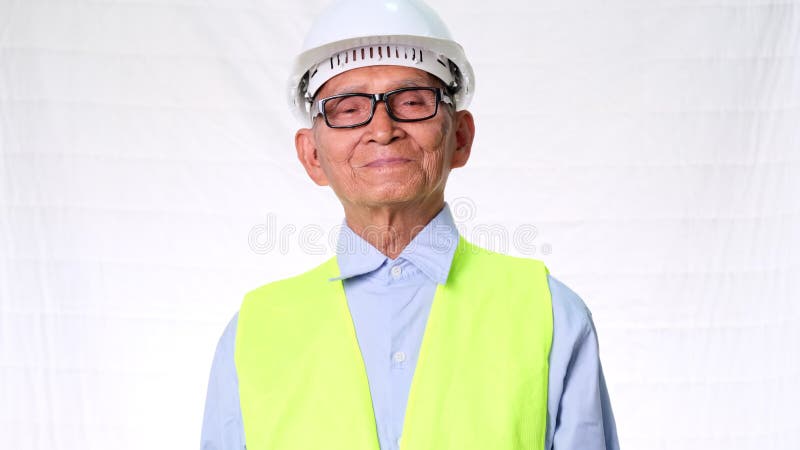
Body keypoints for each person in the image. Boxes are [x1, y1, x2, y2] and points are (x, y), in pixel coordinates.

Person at [200, 0, 619, 449]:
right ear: (312, 155)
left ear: (459, 137)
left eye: (412, 101)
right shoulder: (254, 333)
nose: (382, 128)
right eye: (347, 107)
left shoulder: (550, 315)